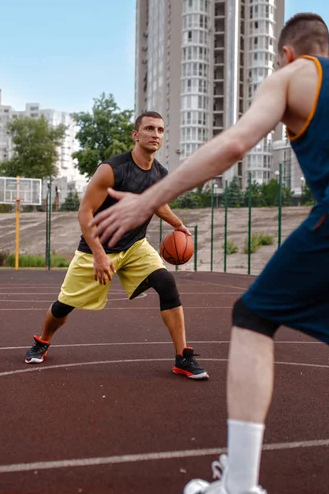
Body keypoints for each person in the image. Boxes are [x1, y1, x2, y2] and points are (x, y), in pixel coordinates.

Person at [90, 13, 329, 494]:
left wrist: (148, 199)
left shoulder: (292, 75)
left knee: (253, 316)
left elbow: (235, 145)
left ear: (286, 54)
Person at [25, 111, 209, 381]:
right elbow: (84, 212)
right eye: (149, 129)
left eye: (160, 130)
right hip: (98, 247)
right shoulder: (112, 169)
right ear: (136, 135)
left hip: (135, 246)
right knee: (64, 306)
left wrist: (177, 223)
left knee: (167, 283)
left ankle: (182, 356)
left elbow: (155, 202)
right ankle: (43, 340)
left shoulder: (160, 173)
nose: (155, 134)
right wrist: (99, 255)